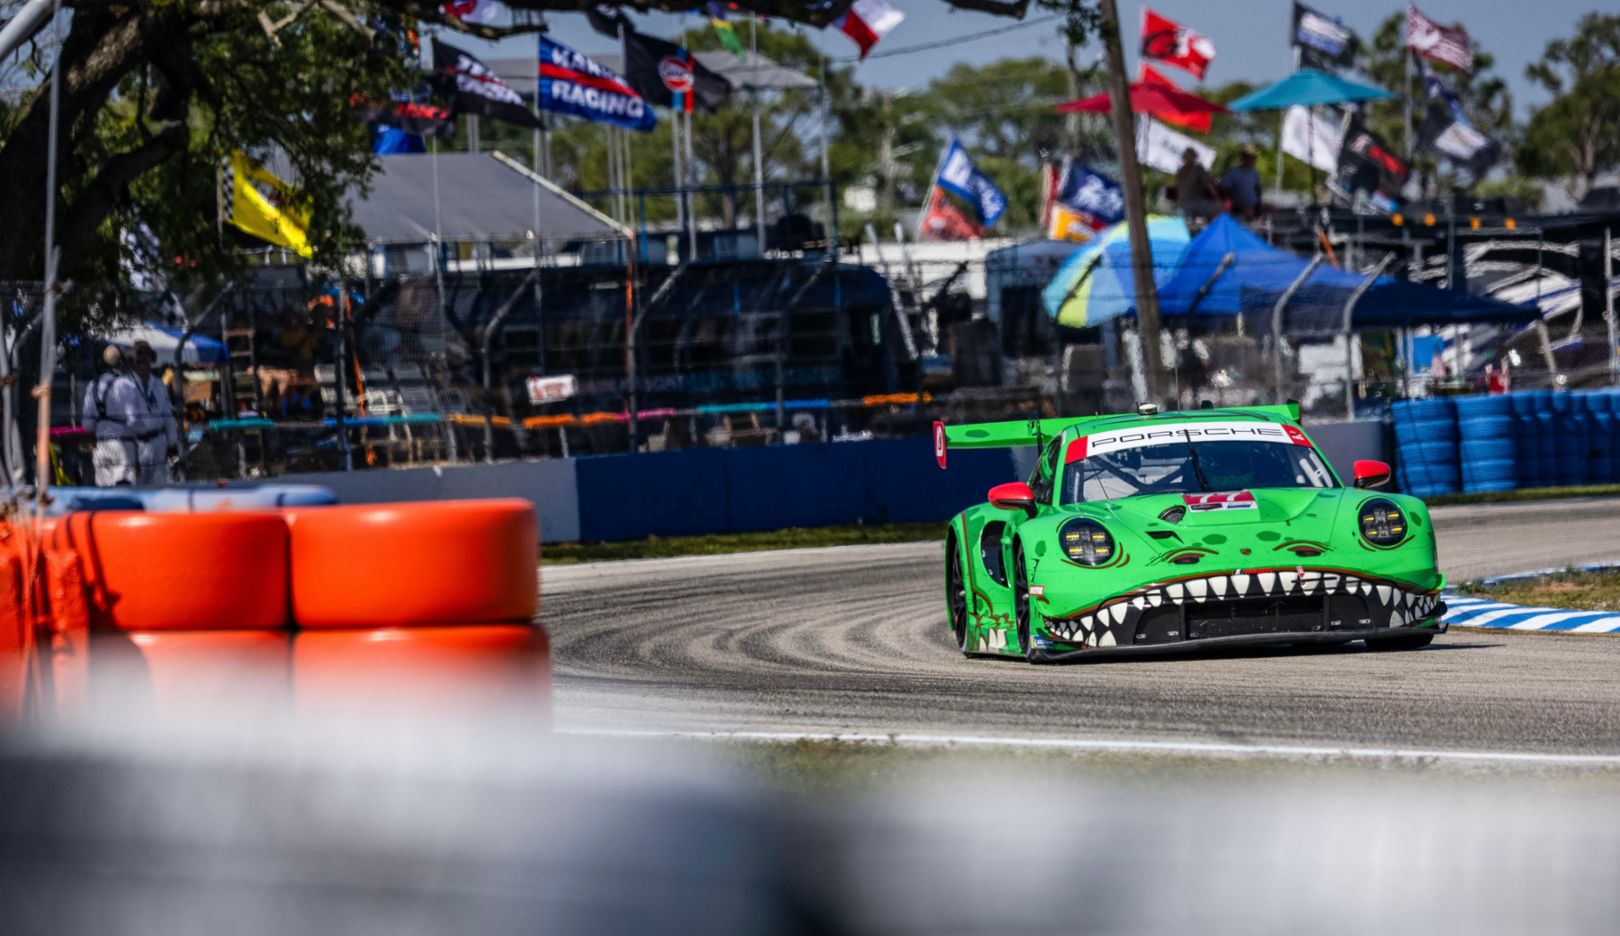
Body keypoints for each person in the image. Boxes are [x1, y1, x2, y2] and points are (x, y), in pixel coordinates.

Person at [82, 345, 142, 486]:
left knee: (104, 495)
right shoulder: (126, 384)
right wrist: (143, 435)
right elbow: (134, 420)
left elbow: (87, 424)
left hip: (101, 446)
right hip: (123, 444)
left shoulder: (92, 386)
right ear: (121, 362)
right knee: (124, 491)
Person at [128, 340, 178, 484]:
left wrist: (172, 443)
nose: (143, 358)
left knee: (160, 487)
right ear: (133, 359)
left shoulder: (159, 385)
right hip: (137, 444)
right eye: (139, 354)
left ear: (152, 358)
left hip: (159, 441)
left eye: (147, 354)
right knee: (137, 487)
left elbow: (168, 414)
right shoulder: (126, 384)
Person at [1173, 148, 1221, 223]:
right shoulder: (1197, 169)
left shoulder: (1180, 171)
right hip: (1195, 202)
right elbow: (1208, 184)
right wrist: (1217, 197)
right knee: (1218, 208)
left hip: (1182, 204)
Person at [1221, 145, 1264, 221]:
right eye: (1248, 157)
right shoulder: (1234, 172)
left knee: (1272, 209)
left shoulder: (1253, 172)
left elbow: (1257, 188)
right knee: (1248, 213)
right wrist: (1238, 203)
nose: (1251, 160)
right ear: (1242, 157)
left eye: (1253, 158)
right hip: (1238, 205)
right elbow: (1225, 190)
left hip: (1253, 204)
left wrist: (1259, 202)